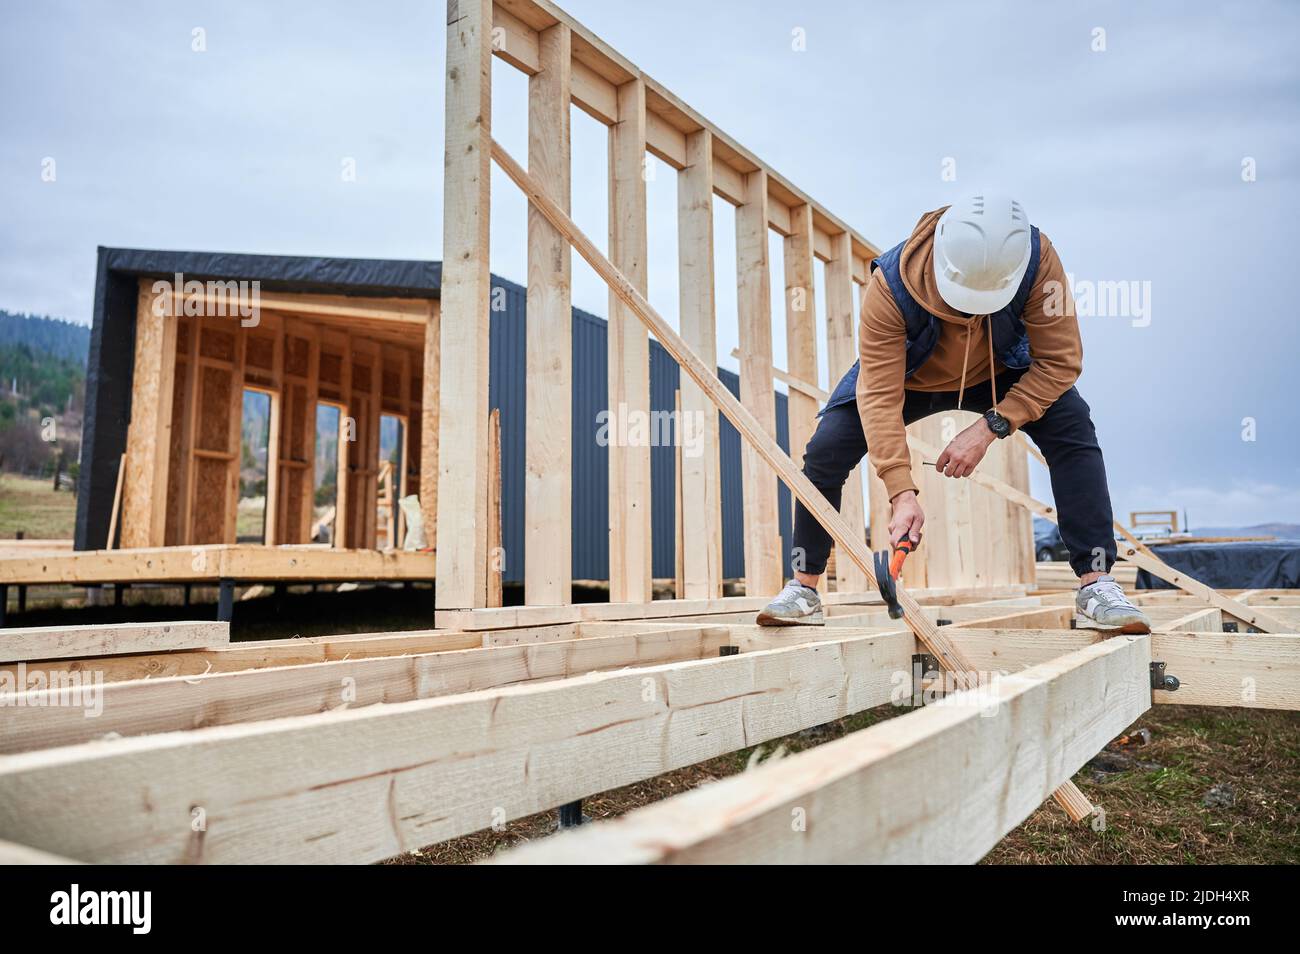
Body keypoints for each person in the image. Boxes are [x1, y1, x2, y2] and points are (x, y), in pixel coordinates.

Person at [757, 192, 1151, 634]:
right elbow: (881, 396)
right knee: (826, 452)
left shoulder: (1038, 263)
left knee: (1072, 430)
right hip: (911, 377)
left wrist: (990, 426)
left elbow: (1060, 363)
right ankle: (803, 588)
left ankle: (1096, 585)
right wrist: (901, 492)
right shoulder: (890, 284)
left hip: (1002, 372)